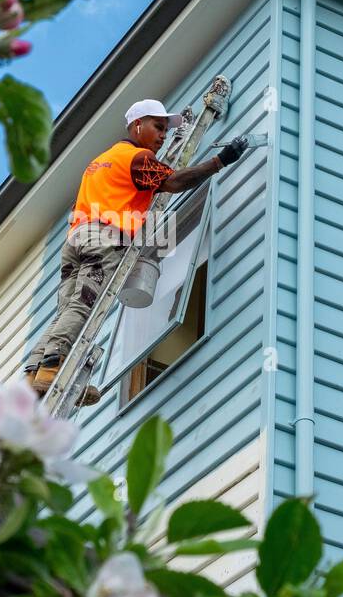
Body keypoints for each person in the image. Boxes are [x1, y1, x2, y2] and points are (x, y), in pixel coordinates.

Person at [23, 98, 249, 405]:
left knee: (67, 310)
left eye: (166, 130)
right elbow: (172, 181)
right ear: (137, 125)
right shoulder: (136, 158)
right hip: (104, 238)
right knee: (84, 307)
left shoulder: (101, 161)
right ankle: (52, 369)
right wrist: (219, 161)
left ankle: (33, 375)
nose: (162, 136)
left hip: (76, 239)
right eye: (158, 127)